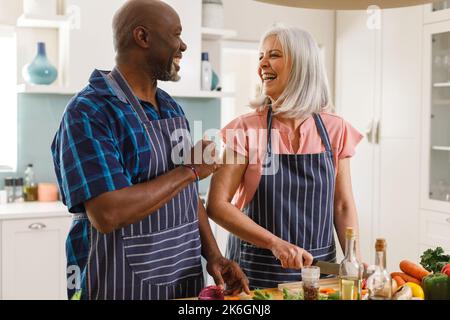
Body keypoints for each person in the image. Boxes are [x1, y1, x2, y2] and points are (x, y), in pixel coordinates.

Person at [51, 0, 249, 300]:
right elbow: (107, 213)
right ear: (142, 37)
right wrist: (190, 170)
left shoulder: (170, 107)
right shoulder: (89, 111)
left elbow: (187, 193)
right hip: (117, 285)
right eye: (176, 34)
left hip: (182, 280)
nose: (183, 46)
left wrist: (214, 256)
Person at [206, 26, 364, 289]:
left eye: (274, 55)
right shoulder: (246, 129)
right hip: (255, 274)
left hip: (320, 274)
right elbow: (217, 205)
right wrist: (275, 244)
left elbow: (342, 205)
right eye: (260, 57)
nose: (262, 64)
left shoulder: (335, 129)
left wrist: (353, 259)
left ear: (303, 65)